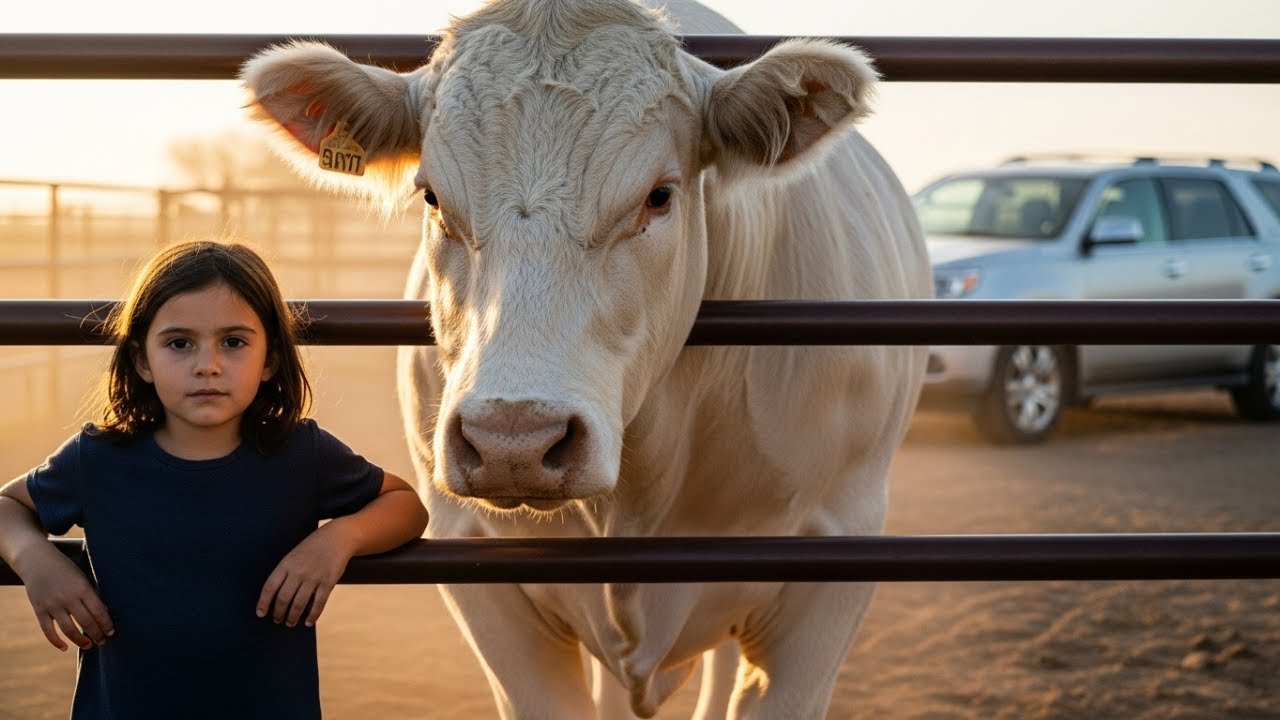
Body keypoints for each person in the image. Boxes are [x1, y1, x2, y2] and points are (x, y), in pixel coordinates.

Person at [0, 240, 429, 719]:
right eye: (179, 343)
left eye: (234, 342)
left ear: (269, 359)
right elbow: (6, 508)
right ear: (143, 360)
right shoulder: (98, 458)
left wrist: (339, 538)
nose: (208, 364)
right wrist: (35, 559)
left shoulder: (300, 453)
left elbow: (407, 505)